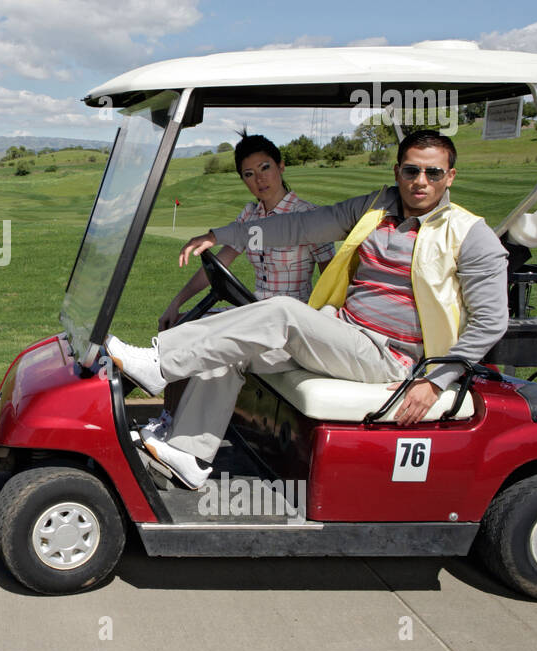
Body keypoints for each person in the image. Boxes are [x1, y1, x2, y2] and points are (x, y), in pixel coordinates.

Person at [107, 129, 509, 489]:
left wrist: (436, 379)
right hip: (345, 333)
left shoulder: (471, 235)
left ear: (450, 176)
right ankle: (190, 456)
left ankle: (159, 364)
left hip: (394, 359)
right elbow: (297, 227)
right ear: (397, 171)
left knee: (281, 311)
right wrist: (218, 235)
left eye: (433, 173)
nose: (420, 182)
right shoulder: (375, 208)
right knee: (228, 346)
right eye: (411, 171)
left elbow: (491, 321)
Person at [146, 134, 334, 439]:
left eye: (265, 168)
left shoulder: (308, 218)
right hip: (254, 314)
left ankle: (185, 440)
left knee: (214, 347)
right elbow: (219, 266)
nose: (260, 179)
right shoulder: (250, 217)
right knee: (181, 325)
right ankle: (168, 421)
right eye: (249, 174)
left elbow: (332, 280)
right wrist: (176, 302)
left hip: (287, 330)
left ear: (281, 166)